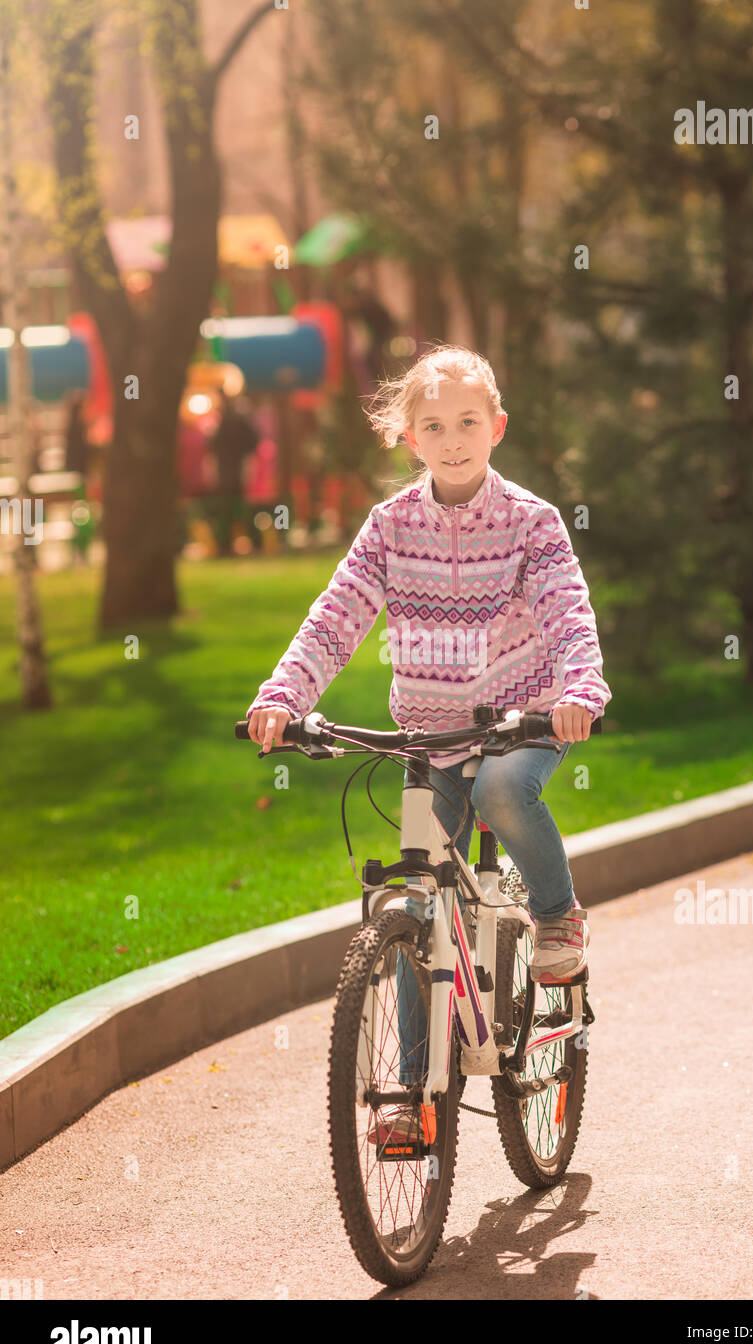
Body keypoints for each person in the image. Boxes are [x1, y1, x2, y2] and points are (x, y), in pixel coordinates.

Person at [245, 346, 612, 1136]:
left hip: (524, 717)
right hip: (427, 733)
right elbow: (335, 617)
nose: (453, 439)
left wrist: (580, 689)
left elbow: (567, 612)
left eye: (468, 422)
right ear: (409, 437)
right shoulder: (390, 528)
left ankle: (556, 916)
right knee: (415, 907)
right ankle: (410, 1098)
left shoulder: (530, 523)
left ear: (497, 427)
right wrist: (284, 697)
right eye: (434, 425)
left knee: (501, 791)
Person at [208, 388, 259, 557]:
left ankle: (226, 543)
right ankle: (250, 540)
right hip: (235, 468)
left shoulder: (226, 420)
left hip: (229, 469)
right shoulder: (236, 417)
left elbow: (213, 446)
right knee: (238, 507)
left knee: (229, 507)